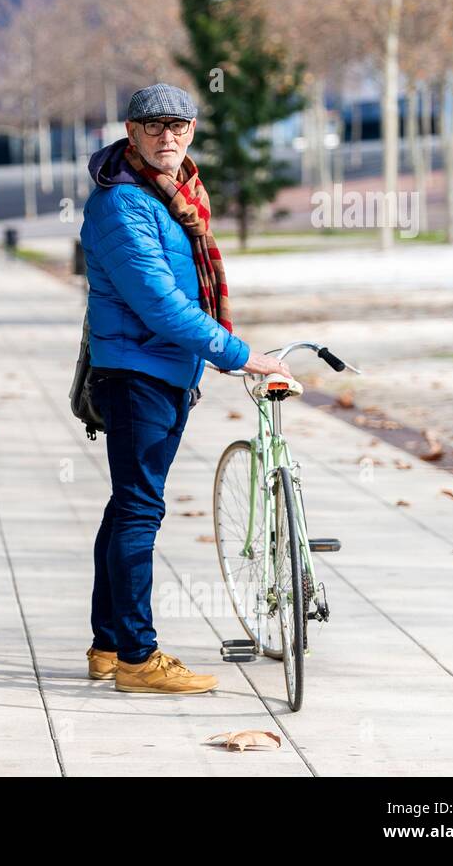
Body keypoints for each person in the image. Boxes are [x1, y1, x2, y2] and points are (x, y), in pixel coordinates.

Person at [78, 82, 290, 694]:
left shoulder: (175, 193)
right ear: (131, 132)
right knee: (140, 509)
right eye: (153, 127)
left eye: (178, 126)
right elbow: (162, 307)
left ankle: (108, 644)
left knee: (128, 505)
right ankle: (139, 659)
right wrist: (244, 357)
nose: (166, 137)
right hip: (137, 372)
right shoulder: (123, 204)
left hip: (165, 371)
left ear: (191, 131)